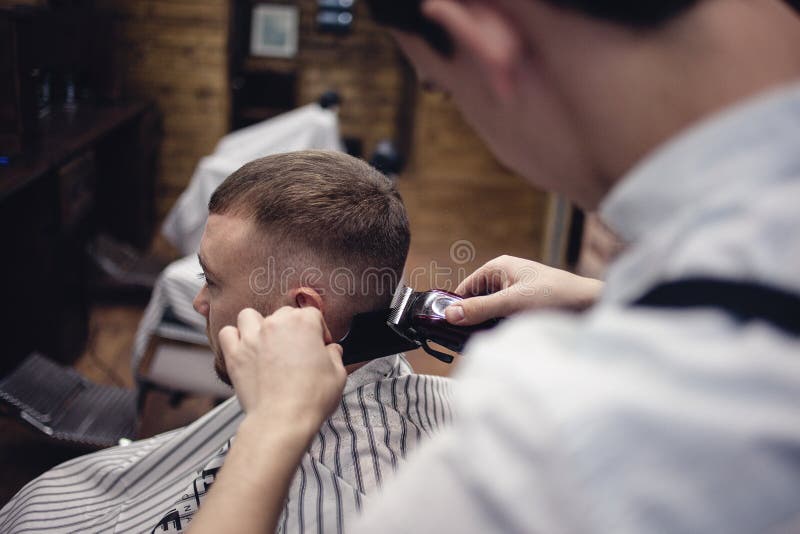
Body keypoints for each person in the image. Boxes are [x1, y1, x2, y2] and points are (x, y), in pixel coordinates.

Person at [187, 0, 800, 533]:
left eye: (444, 90)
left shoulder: (551, 439)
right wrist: (600, 296)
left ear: (486, 40)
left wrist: (274, 426)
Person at [0, 150, 455, 533]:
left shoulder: (341, 486)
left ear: (302, 314)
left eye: (211, 281)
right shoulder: (380, 373)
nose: (198, 301)